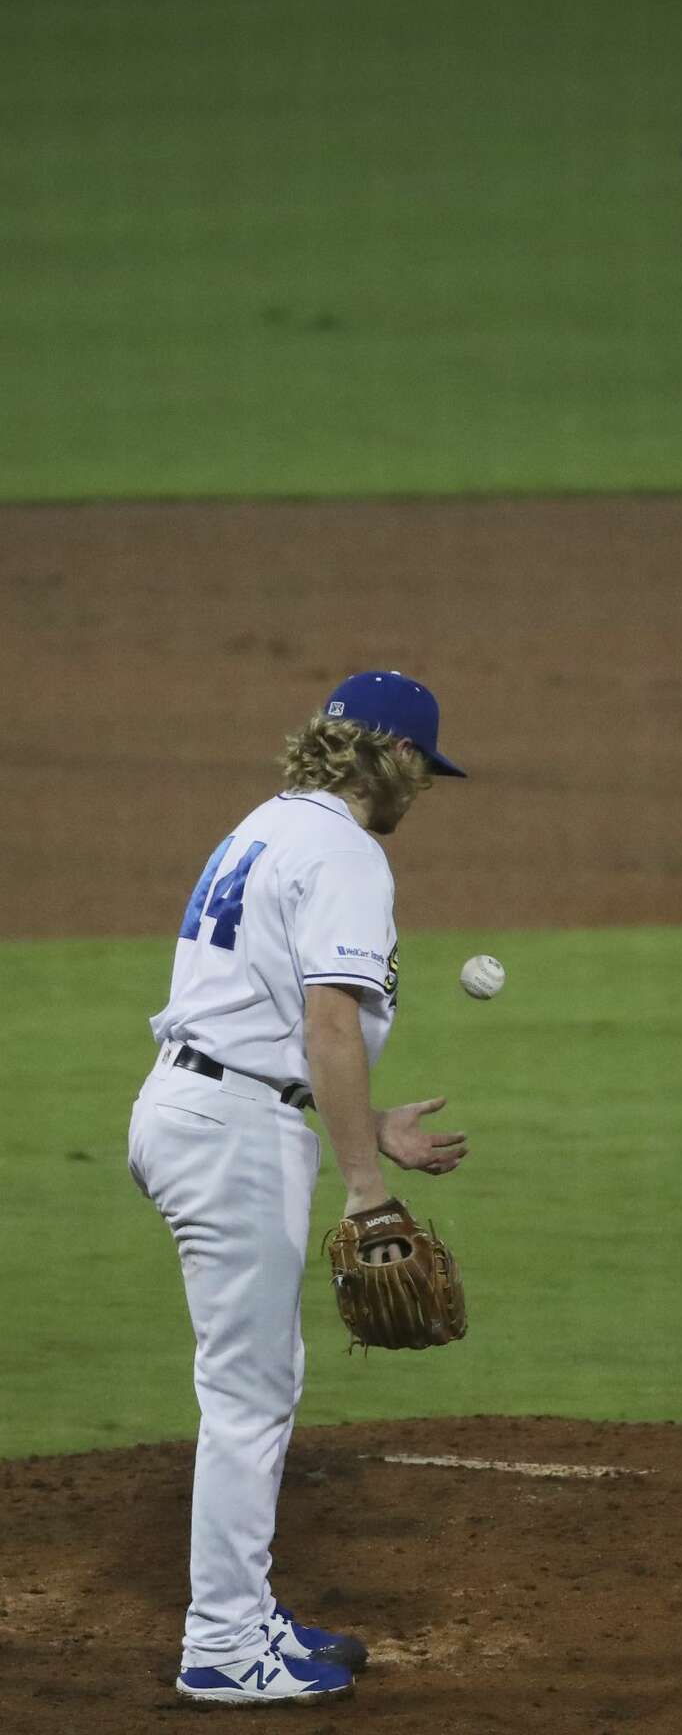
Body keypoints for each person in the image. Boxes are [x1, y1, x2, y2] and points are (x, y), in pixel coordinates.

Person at [128, 670, 470, 1705]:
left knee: (257, 1382)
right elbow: (326, 1021)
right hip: (232, 1131)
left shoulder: (270, 825)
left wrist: (371, 1131)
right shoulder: (350, 852)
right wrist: (364, 1188)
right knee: (250, 1392)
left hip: (199, 1109)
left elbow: (288, 1024)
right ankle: (226, 1650)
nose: (423, 790)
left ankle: (245, 1614)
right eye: (424, 769)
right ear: (398, 757)